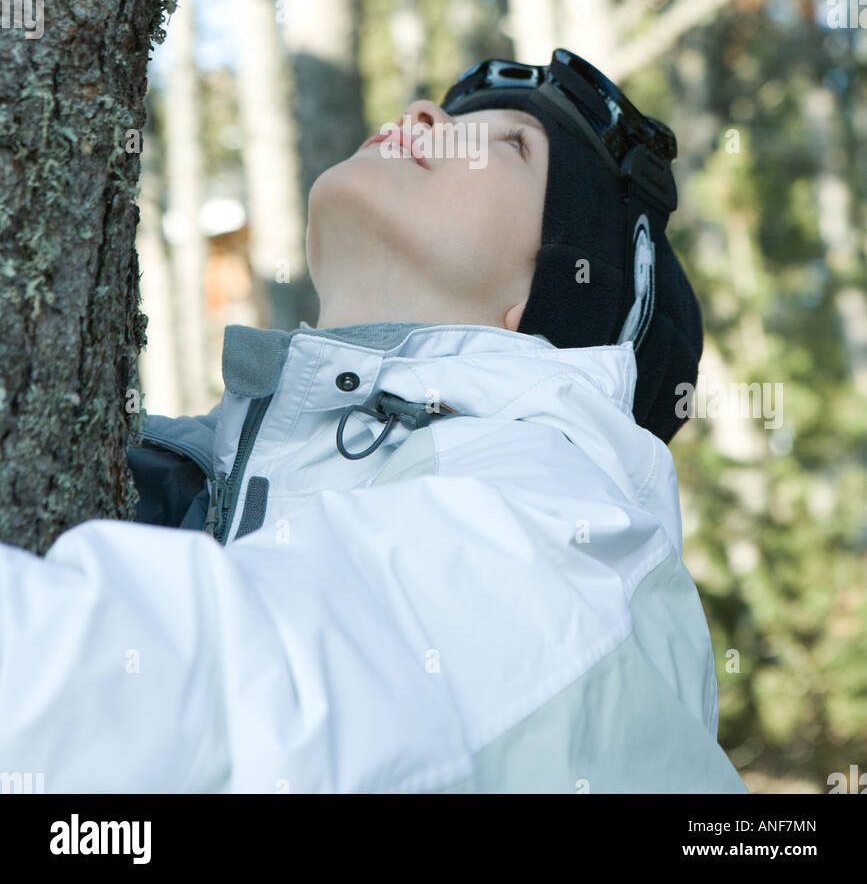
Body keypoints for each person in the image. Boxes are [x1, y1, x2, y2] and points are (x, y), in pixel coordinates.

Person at [0, 49, 748, 794]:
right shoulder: (175, 465)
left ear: (544, 309)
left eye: (509, 144)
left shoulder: (560, 524)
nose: (423, 114)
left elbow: (232, 717)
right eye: (452, 118)